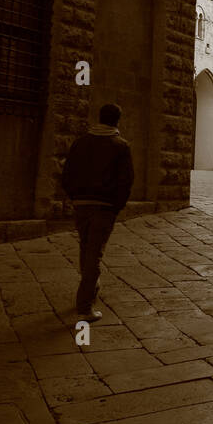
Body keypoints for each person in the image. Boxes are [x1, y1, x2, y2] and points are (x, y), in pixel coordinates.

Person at [61, 103, 134, 320]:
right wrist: (116, 205)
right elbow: (126, 181)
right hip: (104, 207)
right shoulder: (120, 146)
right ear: (117, 120)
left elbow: (67, 173)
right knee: (94, 253)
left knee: (86, 247)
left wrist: (74, 196)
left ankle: (91, 288)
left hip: (81, 204)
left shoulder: (81, 142)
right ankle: (85, 305)